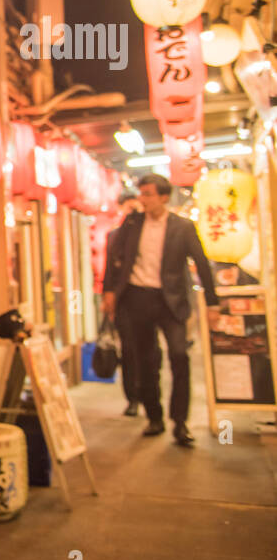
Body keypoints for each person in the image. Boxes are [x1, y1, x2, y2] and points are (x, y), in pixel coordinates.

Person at [102, 174, 220, 446]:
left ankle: (180, 422)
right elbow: (114, 258)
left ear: (164, 197)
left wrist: (212, 304)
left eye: (148, 194)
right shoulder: (132, 223)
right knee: (146, 359)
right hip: (137, 298)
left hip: (172, 300)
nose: (142, 199)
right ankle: (153, 416)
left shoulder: (183, 227)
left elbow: (202, 264)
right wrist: (109, 292)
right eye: (141, 193)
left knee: (179, 355)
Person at [106, 190, 158, 416]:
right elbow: (109, 270)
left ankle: (150, 396)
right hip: (125, 301)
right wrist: (108, 296)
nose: (133, 212)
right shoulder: (115, 236)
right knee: (128, 350)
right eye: (128, 208)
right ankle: (133, 398)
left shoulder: (153, 234)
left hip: (153, 301)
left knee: (150, 352)